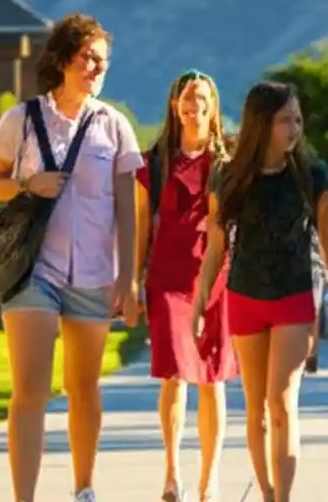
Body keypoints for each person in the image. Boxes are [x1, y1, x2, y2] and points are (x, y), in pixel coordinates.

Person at [0, 14, 143, 502]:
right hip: (33, 272)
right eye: (89, 57)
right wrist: (29, 183)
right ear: (62, 59)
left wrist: (129, 279)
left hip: (93, 273)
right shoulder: (22, 120)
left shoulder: (113, 125)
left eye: (104, 61)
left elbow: (128, 207)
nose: (97, 68)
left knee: (83, 387)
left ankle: (83, 488)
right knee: (30, 388)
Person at [194, 81, 328, 502]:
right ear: (262, 123)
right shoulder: (228, 175)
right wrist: (199, 301)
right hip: (245, 297)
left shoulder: (311, 175)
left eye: (298, 120)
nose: (295, 128)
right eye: (286, 120)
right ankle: (267, 493)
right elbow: (215, 246)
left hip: (293, 298)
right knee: (257, 410)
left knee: (281, 402)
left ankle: (283, 498)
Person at [133, 70, 238, 502]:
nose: (194, 105)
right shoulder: (152, 163)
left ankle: (208, 478)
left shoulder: (226, 166)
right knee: (174, 375)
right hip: (167, 277)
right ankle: (172, 472)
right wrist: (134, 281)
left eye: (203, 99)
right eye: (187, 98)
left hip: (215, 279)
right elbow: (141, 228)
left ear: (213, 109)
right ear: (175, 106)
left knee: (212, 379)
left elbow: (225, 228)